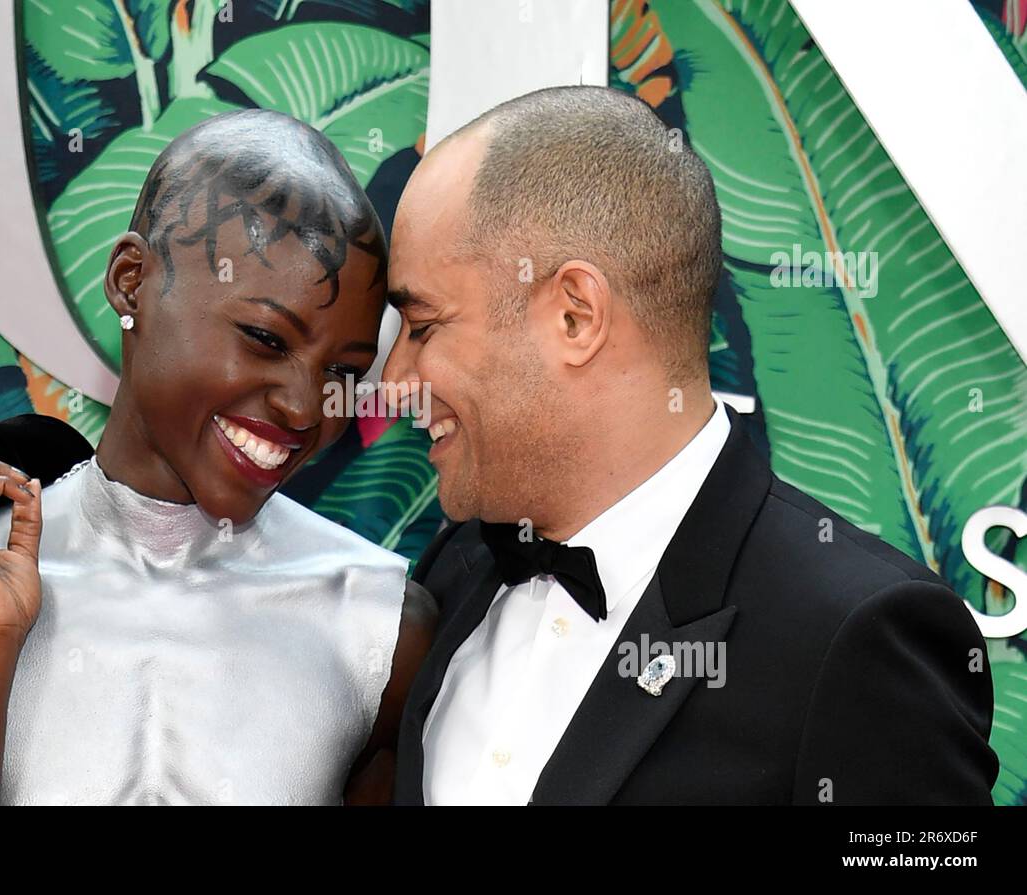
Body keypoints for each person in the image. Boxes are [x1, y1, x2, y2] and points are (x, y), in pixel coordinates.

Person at [0, 109, 436, 805]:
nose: (306, 408)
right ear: (131, 279)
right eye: (266, 339)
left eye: (341, 370)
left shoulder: (383, 628)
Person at [379, 86, 998, 805]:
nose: (394, 384)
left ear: (576, 316)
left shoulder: (854, 636)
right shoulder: (457, 571)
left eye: (423, 326)